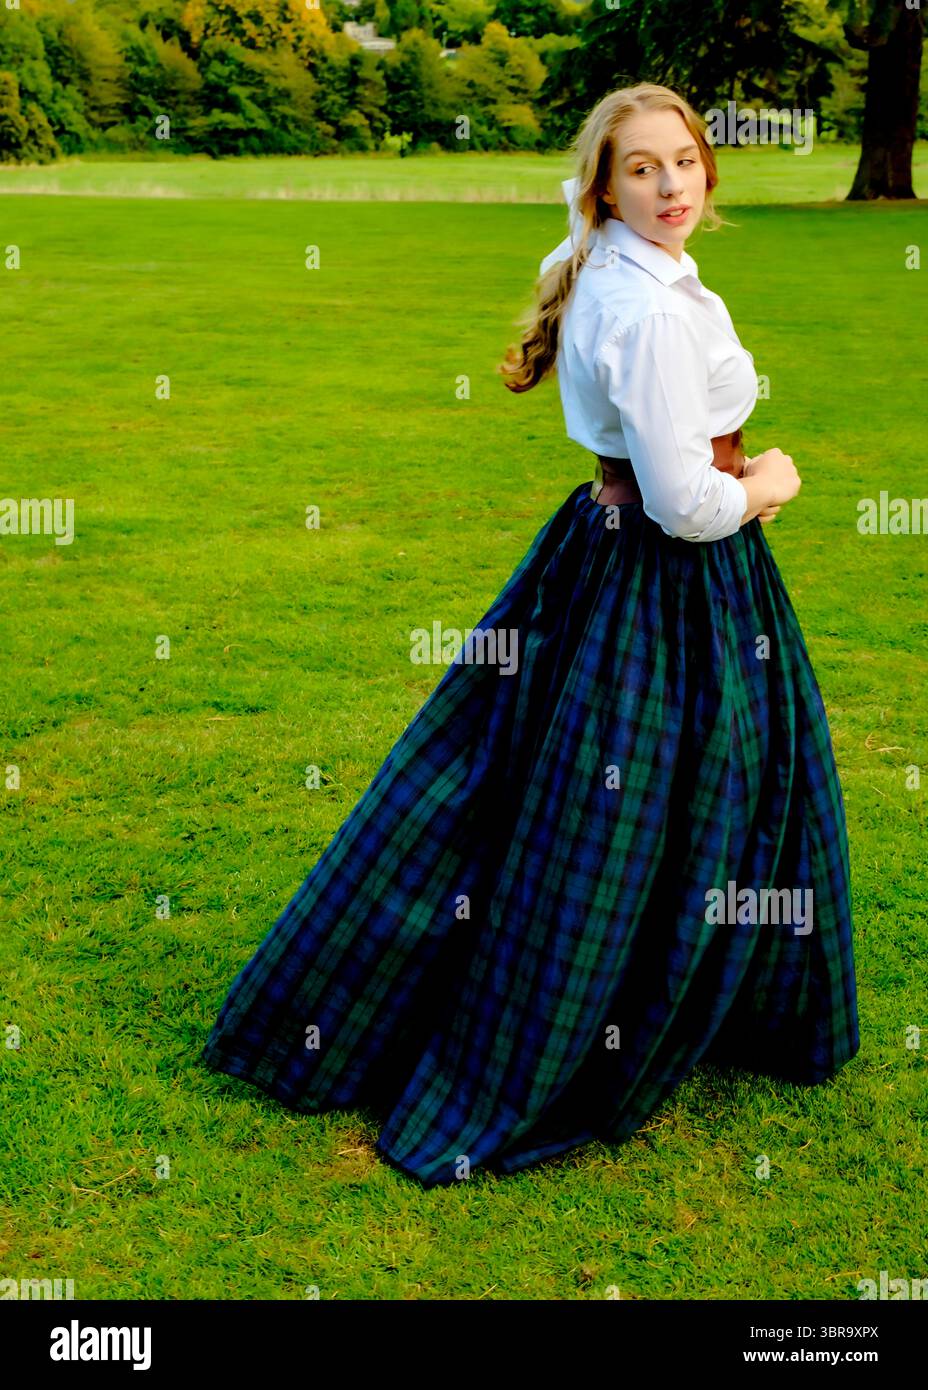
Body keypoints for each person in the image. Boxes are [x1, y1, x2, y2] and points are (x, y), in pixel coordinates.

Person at [198, 82, 860, 1189]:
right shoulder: (645, 307)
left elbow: (664, 456)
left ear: (707, 170)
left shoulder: (608, 263)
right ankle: (580, 1022)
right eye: (640, 168)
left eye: (684, 162)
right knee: (668, 796)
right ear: (607, 184)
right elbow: (681, 503)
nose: (670, 185)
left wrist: (722, 473)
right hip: (666, 572)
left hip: (597, 553)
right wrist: (769, 480)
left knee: (542, 789)